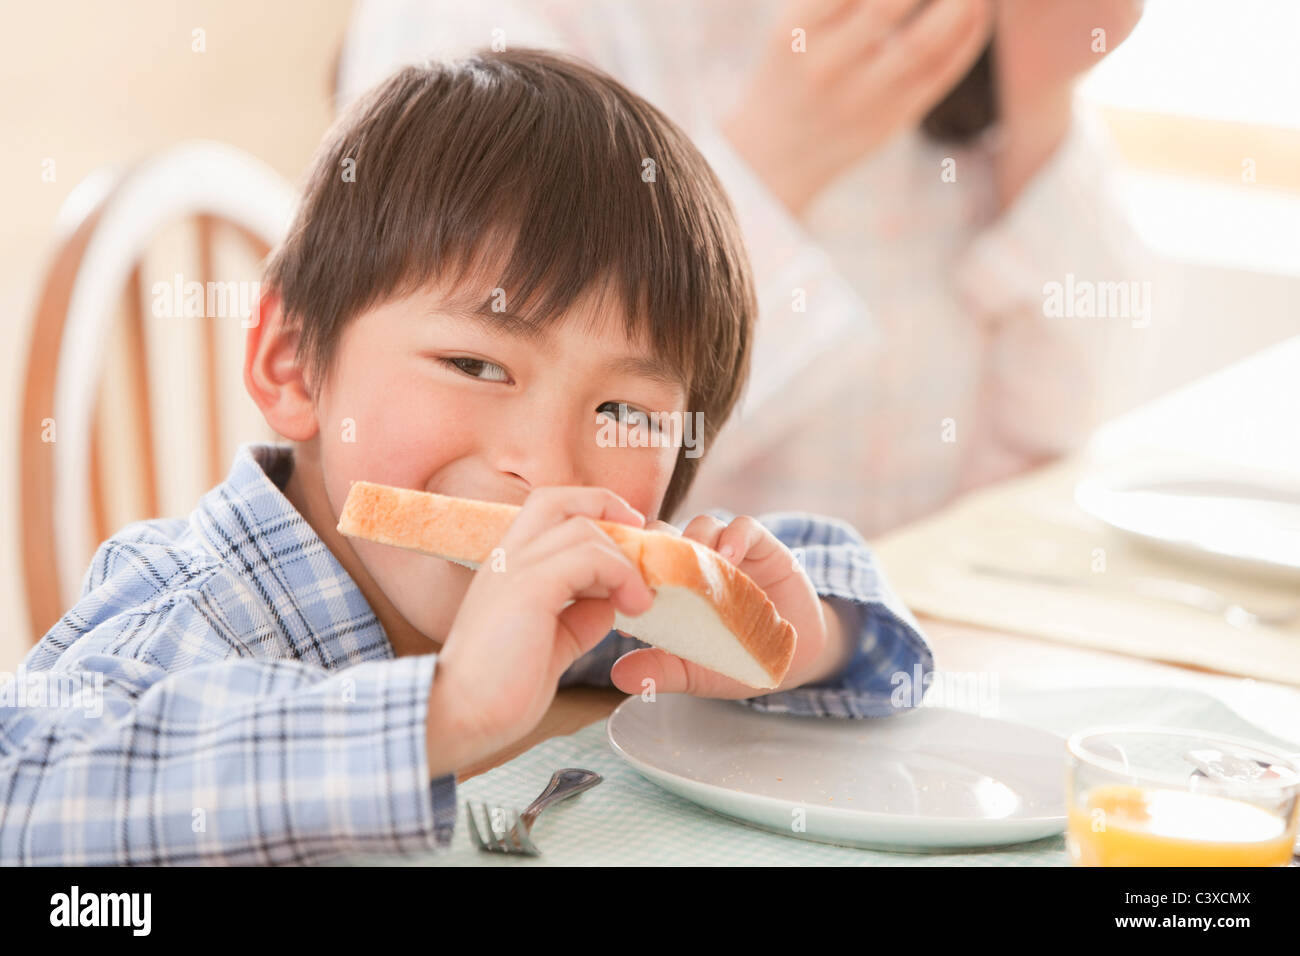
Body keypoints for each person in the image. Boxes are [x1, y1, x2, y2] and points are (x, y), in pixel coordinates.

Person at [0, 50, 930, 865]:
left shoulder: (580, 597)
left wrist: (805, 643)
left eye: (623, 411)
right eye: (476, 364)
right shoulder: (191, 614)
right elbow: (25, 797)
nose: (548, 466)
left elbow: (831, 569)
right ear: (291, 362)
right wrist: (443, 708)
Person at [338, 0, 1152, 536]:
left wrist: (1042, 91)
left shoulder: (950, 27)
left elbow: (1047, 452)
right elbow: (515, 497)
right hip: (614, 689)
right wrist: (763, 172)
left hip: (891, 657)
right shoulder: (494, 24)